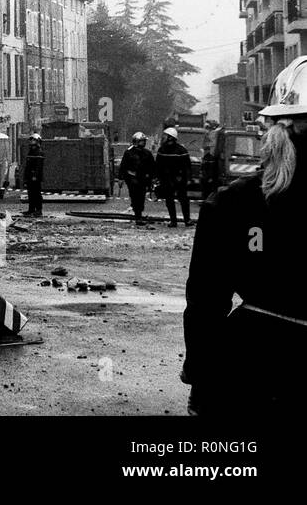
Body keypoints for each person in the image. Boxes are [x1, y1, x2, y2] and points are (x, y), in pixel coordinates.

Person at [182, 56, 307, 415]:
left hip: (250, 368)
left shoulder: (234, 203)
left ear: (274, 127)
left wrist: (200, 377)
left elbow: (206, 303)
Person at [154, 126, 193, 226]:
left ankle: (187, 220)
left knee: (183, 200)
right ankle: (173, 221)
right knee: (169, 201)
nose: (163, 138)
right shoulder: (162, 150)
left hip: (179, 179)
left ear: (171, 137)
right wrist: (158, 178)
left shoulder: (181, 151)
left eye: (165, 136)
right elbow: (158, 166)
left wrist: (187, 178)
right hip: (167, 180)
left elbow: (187, 166)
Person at [119, 132, 155, 224]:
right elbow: (123, 166)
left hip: (143, 179)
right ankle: (138, 216)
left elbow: (152, 167)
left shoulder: (147, 153)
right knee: (135, 197)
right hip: (132, 178)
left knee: (141, 197)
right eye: (141, 141)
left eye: (144, 141)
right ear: (136, 141)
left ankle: (139, 214)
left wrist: (152, 178)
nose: (143, 143)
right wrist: (121, 178)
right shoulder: (129, 153)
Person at [23, 132, 45, 216]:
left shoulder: (38, 151)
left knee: (36, 194)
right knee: (30, 193)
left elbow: (38, 166)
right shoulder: (31, 151)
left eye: (33, 140)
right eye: (31, 140)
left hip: (35, 177)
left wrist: (35, 175)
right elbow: (28, 165)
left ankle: (38, 210)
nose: (31, 142)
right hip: (30, 176)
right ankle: (31, 209)